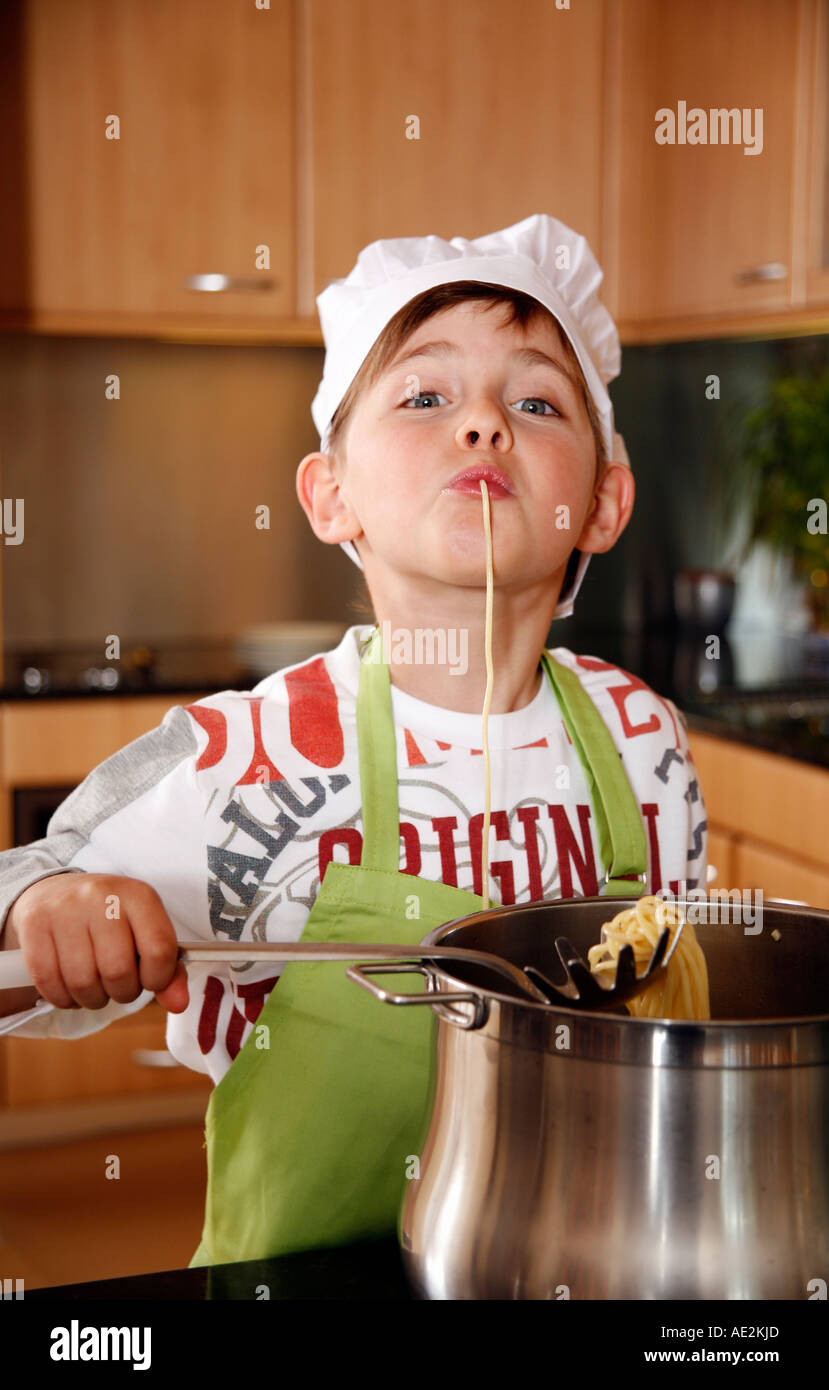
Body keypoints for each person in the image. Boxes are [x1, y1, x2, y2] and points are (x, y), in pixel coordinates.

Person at [0, 214, 707, 1266]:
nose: (483, 426)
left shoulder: (642, 733)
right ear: (331, 496)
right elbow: (32, 886)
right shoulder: (236, 756)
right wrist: (53, 909)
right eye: (426, 396)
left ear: (602, 502)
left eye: (535, 401)